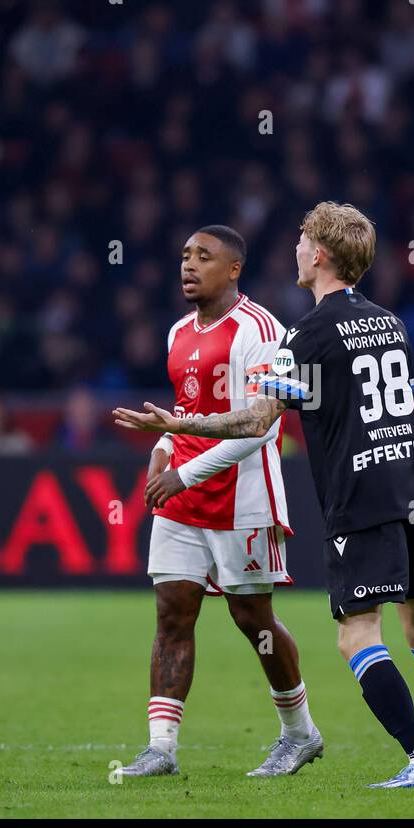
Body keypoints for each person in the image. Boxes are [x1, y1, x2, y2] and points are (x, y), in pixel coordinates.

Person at [116, 203, 414, 789]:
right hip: (410, 486)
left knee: (355, 633)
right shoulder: (389, 321)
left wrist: (177, 427)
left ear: (320, 254)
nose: (296, 251)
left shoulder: (305, 332)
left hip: (359, 496)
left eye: (302, 242)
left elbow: (257, 423)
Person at [116, 225, 322, 779]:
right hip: (182, 497)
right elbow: (190, 408)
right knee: (171, 613)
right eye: (185, 255)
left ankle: (299, 734)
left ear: (233, 269)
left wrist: (184, 473)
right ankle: (161, 748)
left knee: (250, 616)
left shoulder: (263, 331)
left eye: (203, 257)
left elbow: (259, 429)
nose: (189, 265)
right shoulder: (178, 331)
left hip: (243, 497)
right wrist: (163, 446)